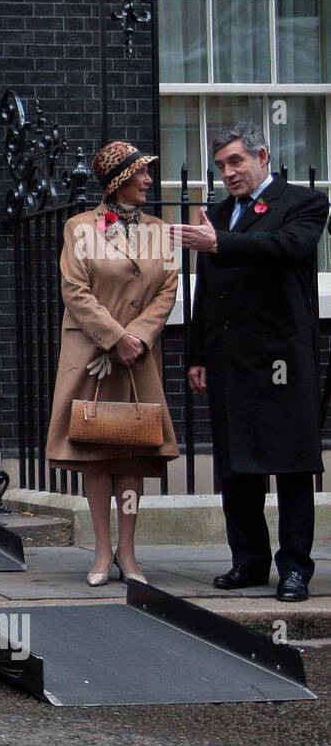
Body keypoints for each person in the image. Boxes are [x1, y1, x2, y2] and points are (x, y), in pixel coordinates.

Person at [177, 123, 331, 603]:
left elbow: (288, 248)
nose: (228, 172)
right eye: (221, 165)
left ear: (262, 156)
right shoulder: (219, 213)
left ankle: (295, 569)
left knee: (290, 465)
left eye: (236, 161)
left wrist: (220, 243)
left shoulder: (303, 203)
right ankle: (248, 561)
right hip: (228, 358)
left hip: (282, 357)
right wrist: (197, 354)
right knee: (235, 467)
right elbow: (208, 292)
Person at [46, 141, 180, 586]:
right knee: (97, 454)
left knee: (133, 456)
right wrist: (114, 337)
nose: (148, 181)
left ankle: (129, 552)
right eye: (140, 173)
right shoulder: (79, 227)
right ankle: (102, 553)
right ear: (118, 180)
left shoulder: (160, 229)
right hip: (91, 352)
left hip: (138, 355)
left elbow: (167, 289)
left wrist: (136, 337)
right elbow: (75, 290)